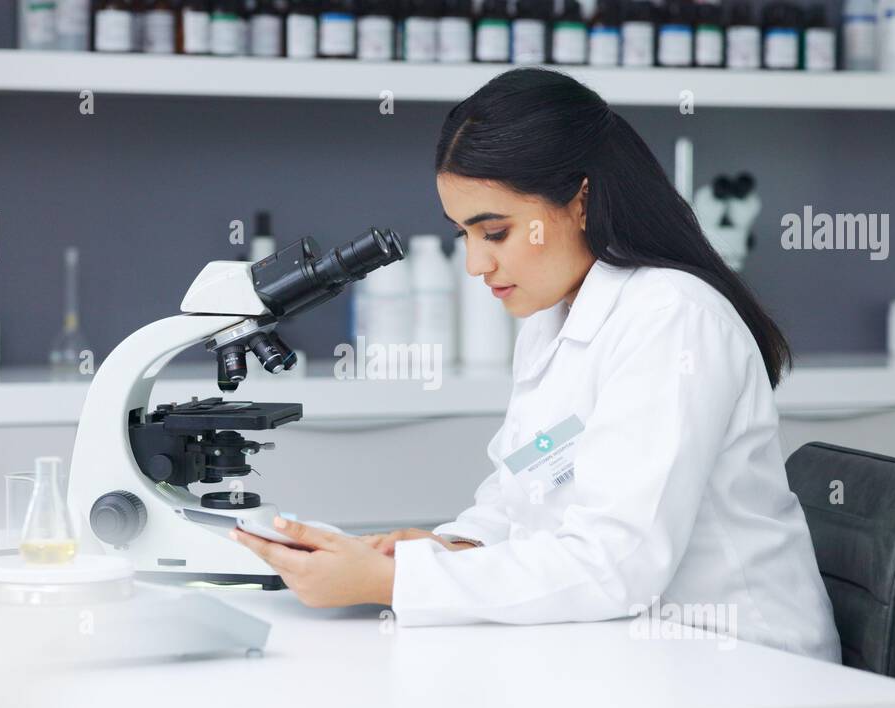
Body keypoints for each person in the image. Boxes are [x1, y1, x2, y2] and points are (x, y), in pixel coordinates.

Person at [230, 67, 841, 663]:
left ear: (580, 200)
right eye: (463, 235)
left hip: (745, 665)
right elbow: (521, 491)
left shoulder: (672, 316)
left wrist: (393, 586)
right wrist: (450, 547)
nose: (475, 265)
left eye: (494, 232)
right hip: (620, 647)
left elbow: (615, 564)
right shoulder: (554, 315)